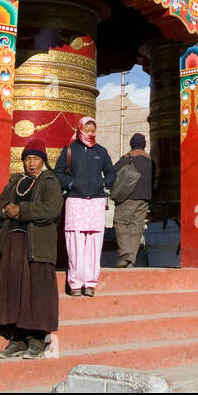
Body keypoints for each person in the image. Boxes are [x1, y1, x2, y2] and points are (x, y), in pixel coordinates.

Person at [0, 138, 64, 359]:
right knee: (15, 289)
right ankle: (18, 338)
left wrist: (21, 211)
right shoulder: (15, 181)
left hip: (37, 245)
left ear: (43, 161)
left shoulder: (50, 181)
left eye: (35, 159)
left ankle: (37, 340)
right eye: (28, 159)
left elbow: (51, 209)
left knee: (36, 291)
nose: (31, 164)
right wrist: (6, 210)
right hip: (12, 243)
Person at [55, 116, 115, 296]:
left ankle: (90, 283)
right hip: (75, 200)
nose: (90, 133)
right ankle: (75, 283)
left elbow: (112, 172)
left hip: (96, 201)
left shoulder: (101, 152)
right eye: (86, 130)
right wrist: (71, 184)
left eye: (92, 130)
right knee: (75, 241)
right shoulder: (69, 150)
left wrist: (104, 183)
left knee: (94, 243)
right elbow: (58, 173)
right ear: (80, 129)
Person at [112, 133, 154, 268]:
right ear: (144, 145)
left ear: (131, 144)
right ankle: (131, 259)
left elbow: (112, 172)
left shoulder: (127, 158)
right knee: (136, 226)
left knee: (120, 222)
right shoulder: (150, 161)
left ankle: (125, 255)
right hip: (145, 198)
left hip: (128, 196)